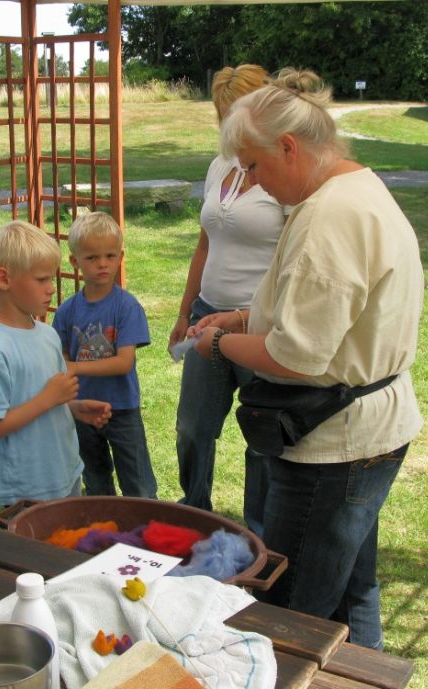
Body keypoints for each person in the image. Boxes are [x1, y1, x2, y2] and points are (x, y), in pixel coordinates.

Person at [189, 68, 424, 650]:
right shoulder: (354, 187)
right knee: (352, 591)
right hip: (367, 432)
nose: (253, 182)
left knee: (291, 610)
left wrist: (215, 343)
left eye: (255, 166)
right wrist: (243, 318)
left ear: (289, 147)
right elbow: (331, 311)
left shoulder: (328, 216)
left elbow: (295, 356)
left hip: (335, 447)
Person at [168, 64, 288, 535]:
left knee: (261, 435)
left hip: (258, 323)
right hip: (206, 315)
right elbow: (205, 244)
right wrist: (185, 311)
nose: (230, 131)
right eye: (224, 119)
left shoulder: (284, 176)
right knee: (192, 427)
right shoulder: (220, 165)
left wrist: (244, 317)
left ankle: (260, 532)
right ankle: (194, 513)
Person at [0, 220, 112, 506]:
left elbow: (45, 398)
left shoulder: (48, 335)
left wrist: (73, 408)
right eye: (42, 280)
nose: (51, 289)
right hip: (26, 488)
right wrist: (49, 399)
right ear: (4, 279)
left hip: (64, 472)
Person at [52, 211, 157, 498]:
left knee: (138, 484)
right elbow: (59, 357)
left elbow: (124, 362)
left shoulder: (126, 307)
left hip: (122, 408)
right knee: (95, 480)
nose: (102, 264)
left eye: (110, 256)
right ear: (75, 262)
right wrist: (68, 371)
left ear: (120, 257)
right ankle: (104, 522)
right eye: (92, 257)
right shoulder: (67, 311)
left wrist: (75, 367)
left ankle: (146, 523)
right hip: (83, 410)